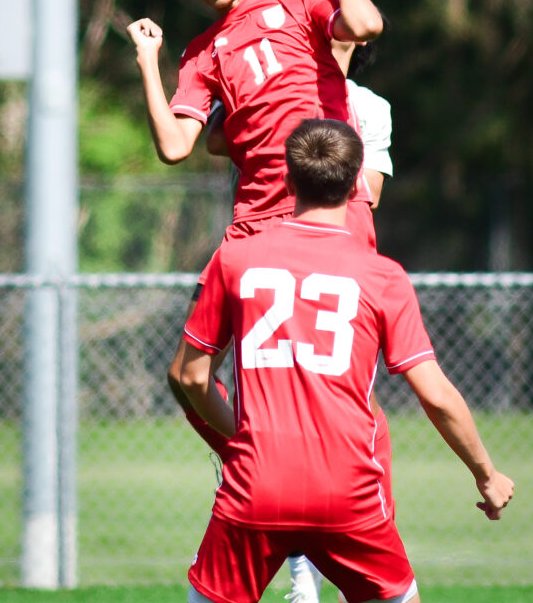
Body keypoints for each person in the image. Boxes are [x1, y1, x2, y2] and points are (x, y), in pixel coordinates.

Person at [178, 118, 515, 603]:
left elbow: (191, 377)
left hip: (254, 486)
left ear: (287, 182)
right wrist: (486, 473)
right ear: (359, 182)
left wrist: (244, 441)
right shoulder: (382, 276)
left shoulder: (235, 259)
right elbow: (436, 396)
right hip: (347, 491)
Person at [204, 41, 394, 602]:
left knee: (346, 414)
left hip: (334, 268)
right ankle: (280, 546)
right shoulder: (269, 87)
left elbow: (372, 193)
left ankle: (322, 557)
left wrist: (316, 163)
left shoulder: (368, 105)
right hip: (263, 258)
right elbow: (216, 138)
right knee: (230, 396)